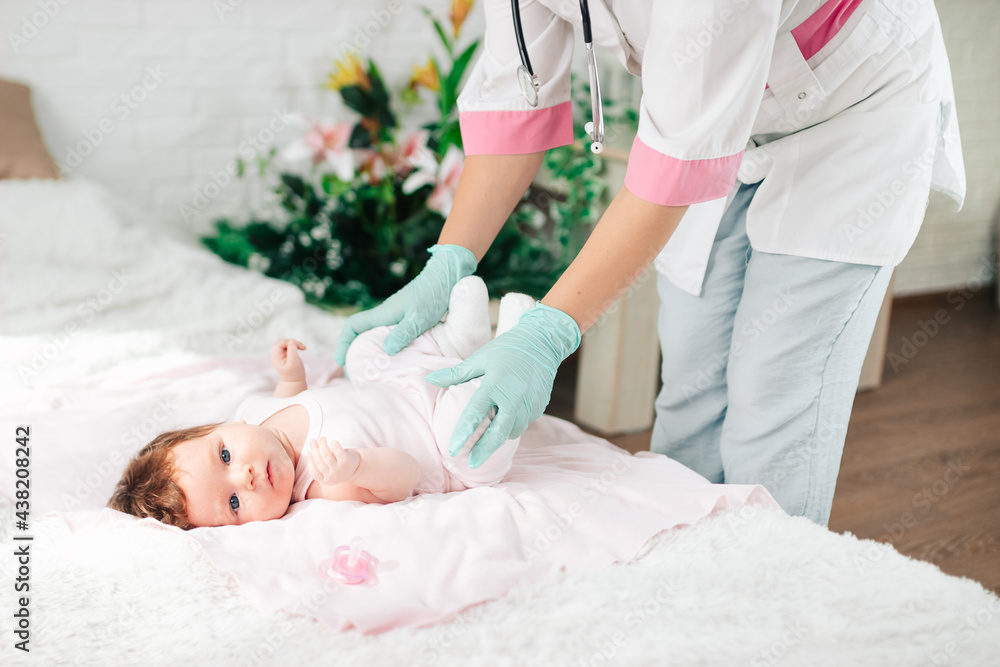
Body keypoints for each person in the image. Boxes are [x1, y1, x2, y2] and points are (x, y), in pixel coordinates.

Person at [334, 0, 966, 526]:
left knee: (773, 400)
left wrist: (546, 334)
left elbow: (671, 174)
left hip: (852, 109)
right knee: (689, 386)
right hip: (722, 120)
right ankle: (677, 597)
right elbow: (517, 101)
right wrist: (446, 263)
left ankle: (766, 615)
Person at [107, 278, 537, 528]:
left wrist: (291, 376)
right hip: (443, 442)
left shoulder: (255, 417)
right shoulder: (322, 485)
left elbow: (296, 401)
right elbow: (406, 474)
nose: (248, 476)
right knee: (468, 444)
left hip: (403, 384)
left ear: (218, 426)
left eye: (223, 456)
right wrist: (356, 467)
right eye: (235, 503)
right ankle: (509, 354)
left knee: (361, 354)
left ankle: (456, 342)